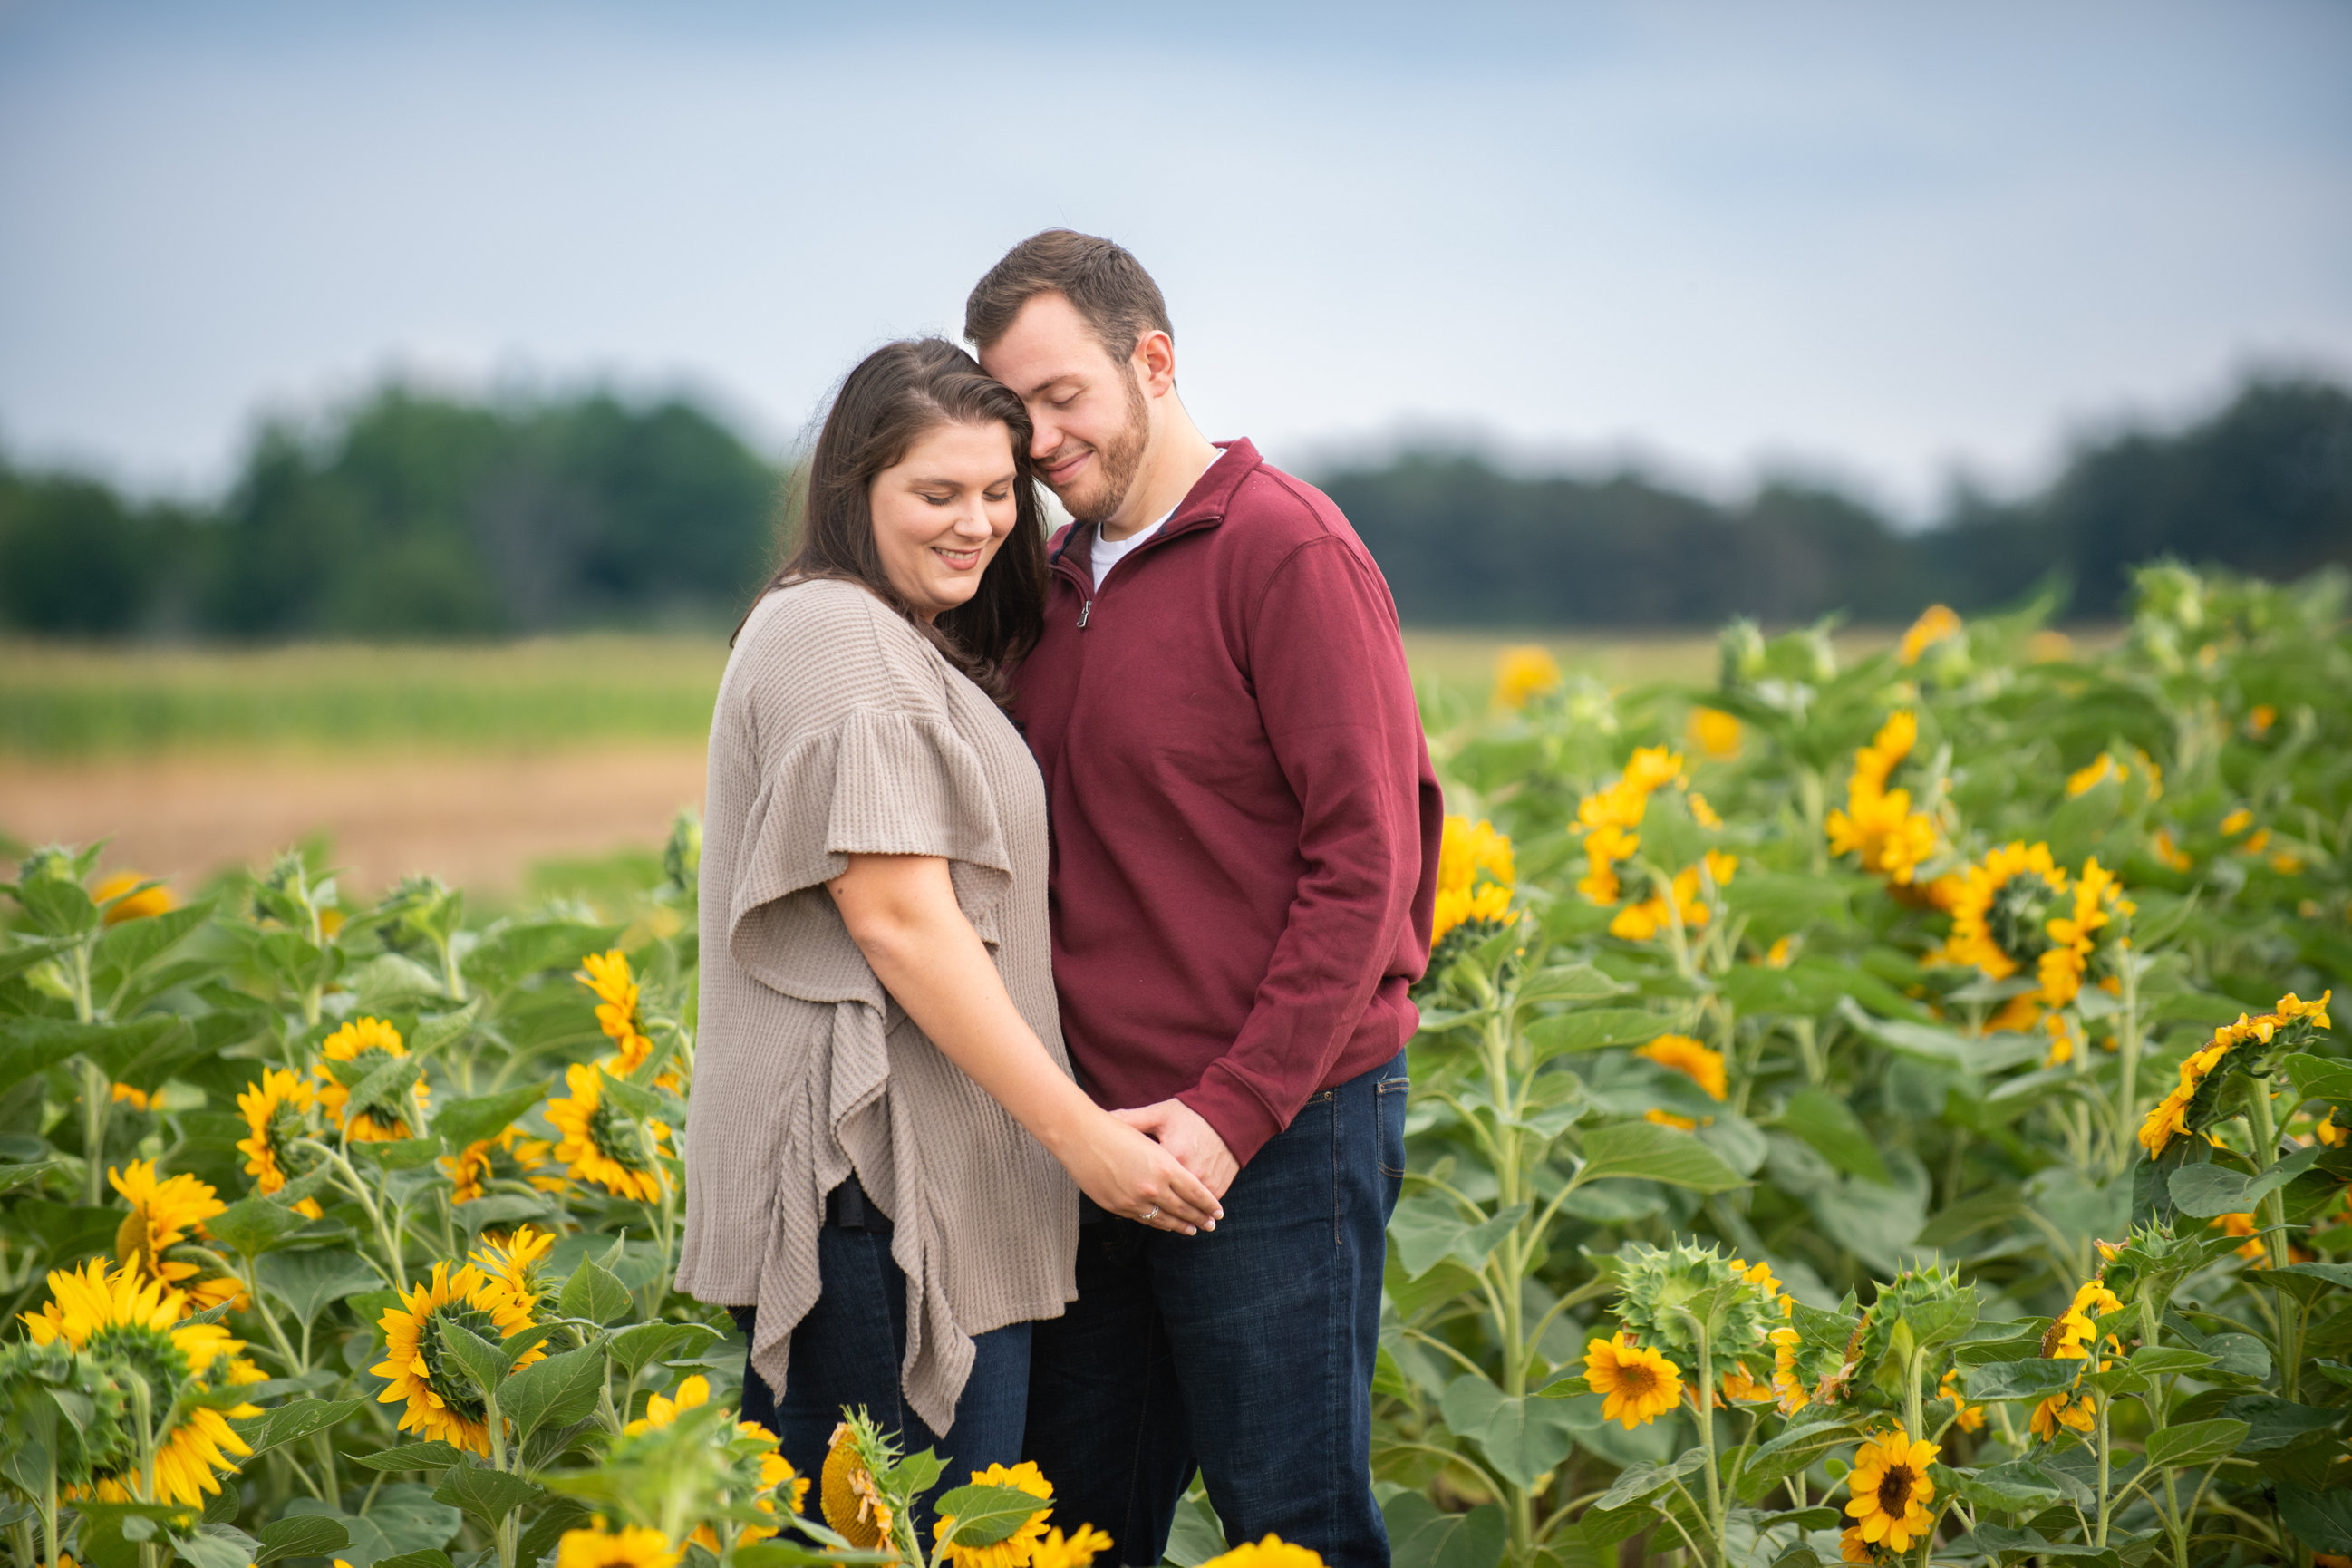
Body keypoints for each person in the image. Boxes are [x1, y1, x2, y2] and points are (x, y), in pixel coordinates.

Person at [678, 337, 1223, 1525]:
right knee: (908, 1539)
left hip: (918, 1194)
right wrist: (1080, 1137)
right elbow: (902, 924)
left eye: (996, 491)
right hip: (876, 1194)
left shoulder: (888, 633)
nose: (975, 524)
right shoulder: (839, 637)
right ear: (854, 488)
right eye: (936, 493)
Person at [967, 233, 1443, 1566]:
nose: (1039, 441)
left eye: (1063, 396)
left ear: (1155, 362)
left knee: (1290, 1525)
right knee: (1068, 1526)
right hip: (1096, 1140)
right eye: (1014, 413)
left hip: (1281, 1130)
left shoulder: (1288, 551)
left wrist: (1231, 1116)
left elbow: (1369, 868)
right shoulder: (1044, 582)